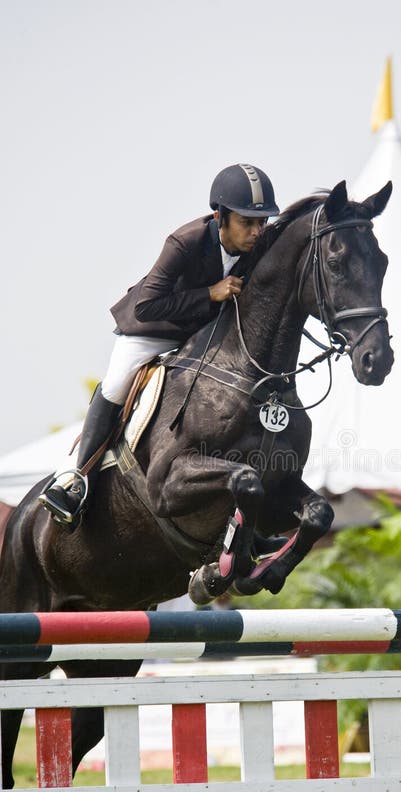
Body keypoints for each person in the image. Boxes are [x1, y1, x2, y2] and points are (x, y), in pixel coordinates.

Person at [38, 163, 279, 530]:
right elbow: (147, 305)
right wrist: (209, 294)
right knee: (118, 382)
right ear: (220, 216)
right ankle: (75, 479)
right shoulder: (186, 241)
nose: (257, 230)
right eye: (248, 221)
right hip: (153, 327)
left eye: (261, 222)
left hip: (207, 335)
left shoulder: (258, 245)